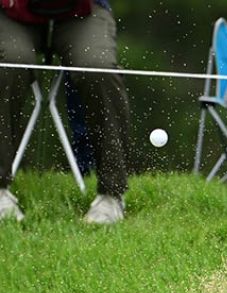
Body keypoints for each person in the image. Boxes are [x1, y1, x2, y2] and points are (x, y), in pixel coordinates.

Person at [0, 0, 131, 224]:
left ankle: (112, 195)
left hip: (83, 10)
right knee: (9, 64)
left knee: (97, 68)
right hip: (9, 12)